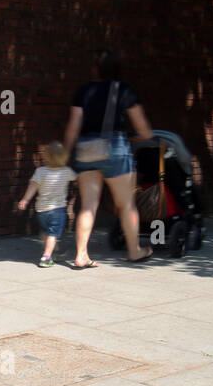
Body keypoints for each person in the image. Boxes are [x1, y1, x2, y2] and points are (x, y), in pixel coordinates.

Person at [64, 49, 155, 268]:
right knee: (126, 205)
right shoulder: (124, 90)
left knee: (88, 205)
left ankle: (81, 255)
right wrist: (145, 137)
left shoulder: (83, 91)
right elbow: (143, 128)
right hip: (116, 149)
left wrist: (66, 153)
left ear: (95, 68)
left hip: (87, 149)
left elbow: (73, 126)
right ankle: (134, 251)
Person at [16, 141, 77, 267]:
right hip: (58, 210)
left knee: (45, 231)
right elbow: (78, 179)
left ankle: (52, 252)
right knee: (53, 234)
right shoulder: (66, 171)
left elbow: (33, 186)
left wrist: (25, 200)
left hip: (41, 209)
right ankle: (46, 257)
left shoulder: (40, 171)